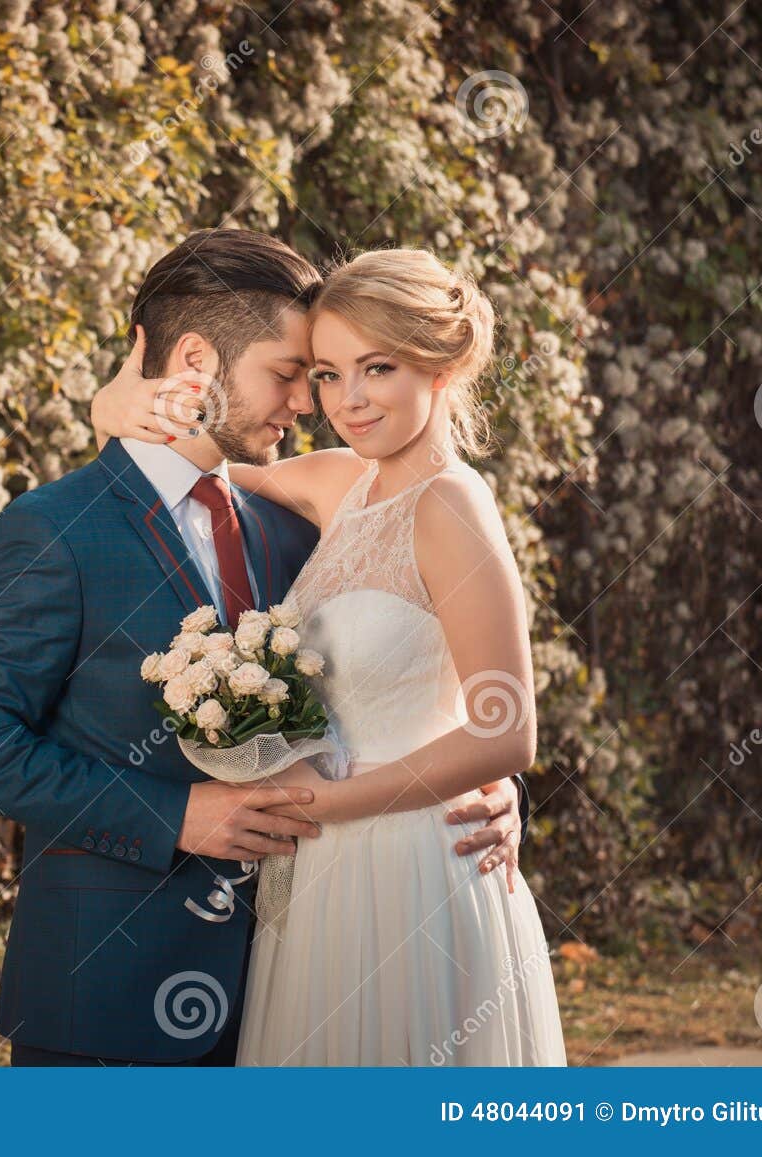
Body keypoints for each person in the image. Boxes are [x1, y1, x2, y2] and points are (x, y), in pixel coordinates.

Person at [0, 230, 529, 1065]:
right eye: (297, 372)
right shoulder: (55, 531)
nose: (312, 403)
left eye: (338, 372)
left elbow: (405, 675)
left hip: (296, 962)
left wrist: (485, 784)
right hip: (109, 995)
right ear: (197, 360)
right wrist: (175, 817)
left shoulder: (294, 523)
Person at [91, 246, 565, 1065]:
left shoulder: (453, 503)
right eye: (327, 373)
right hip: (317, 866)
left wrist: (323, 804)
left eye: (378, 368)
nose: (348, 399)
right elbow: (182, 468)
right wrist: (106, 408)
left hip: (409, 860)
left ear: (440, 367)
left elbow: (505, 731)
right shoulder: (338, 480)